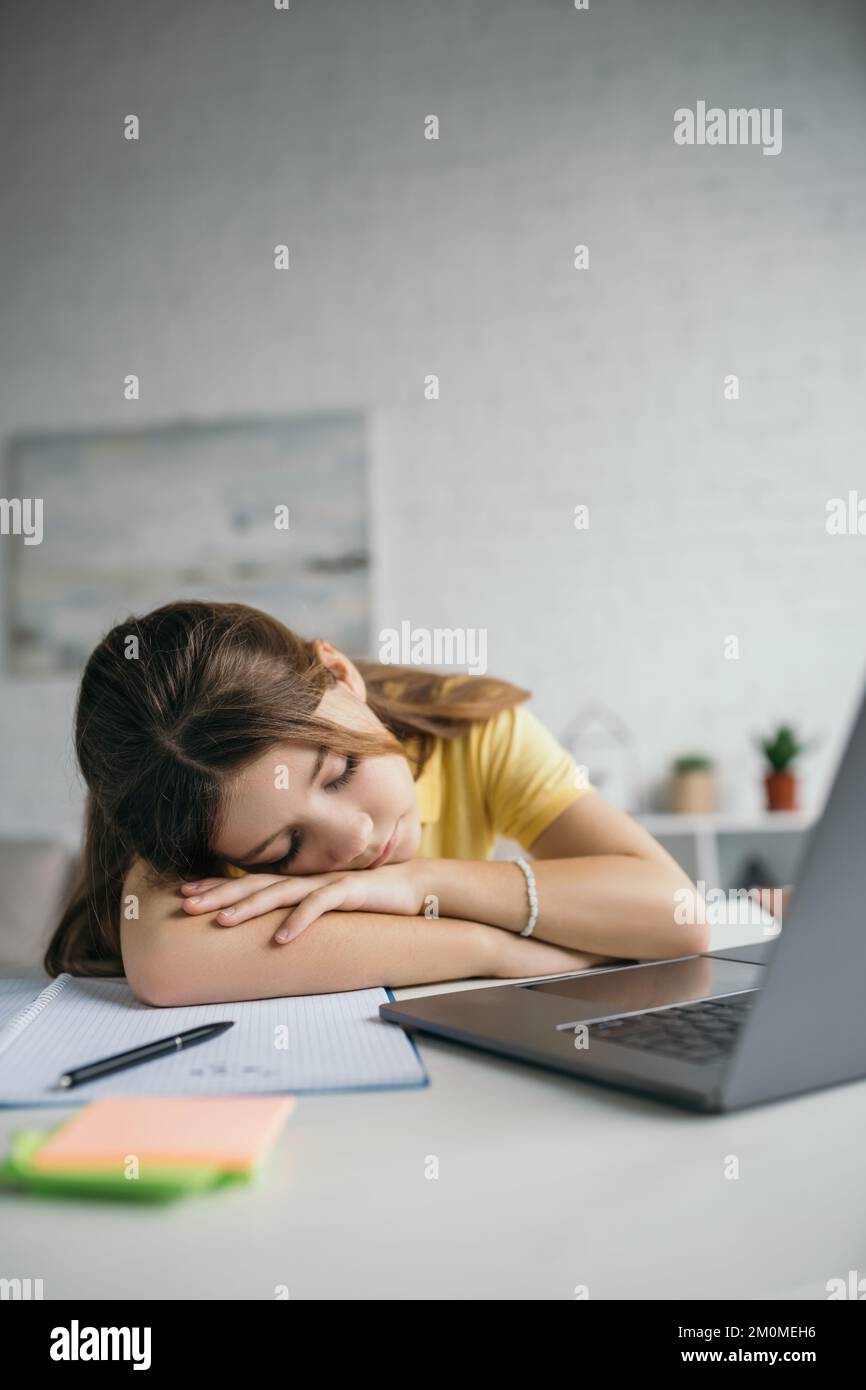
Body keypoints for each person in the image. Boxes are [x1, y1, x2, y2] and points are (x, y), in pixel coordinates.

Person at [45, 600, 706, 1005]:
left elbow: (676, 914)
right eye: (283, 850)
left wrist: (424, 882)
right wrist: (488, 949)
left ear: (339, 676)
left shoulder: (471, 731)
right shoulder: (187, 800)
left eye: (340, 772)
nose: (356, 837)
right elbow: (167, 965)